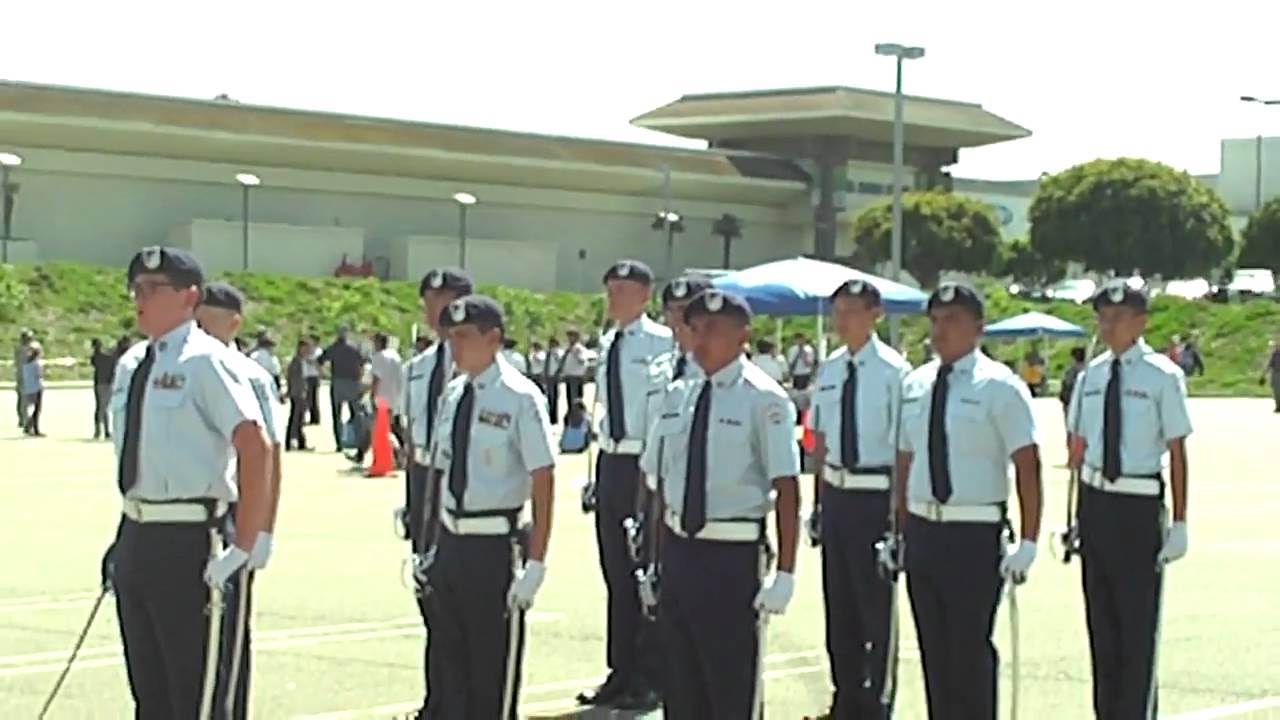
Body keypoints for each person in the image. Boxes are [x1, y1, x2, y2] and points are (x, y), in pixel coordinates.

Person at [100, 247, 272, 719]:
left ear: (188, 297)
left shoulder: (207, 361)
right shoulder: (134, 363)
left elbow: (255, 447)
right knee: (148, 688)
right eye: (137, 288)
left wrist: (245, 543)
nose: (141, 298)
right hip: (139, 531)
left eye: (154, 289)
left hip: (191, 538)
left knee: (195, 690)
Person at [639, 288, 800, 718]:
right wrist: (655, 562)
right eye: (695, 329)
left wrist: (785, 572)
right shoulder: (678, 396)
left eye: (713, 328)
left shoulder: (764, 398)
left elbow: (787, 486)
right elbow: (661, 482)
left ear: (743, 335)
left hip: (730, 556)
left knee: (728, 685)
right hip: (679, 552)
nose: (701, 338)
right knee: (682, 684)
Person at [896, 281, 1042, 720]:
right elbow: (905, 459)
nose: (940, 331)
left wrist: (1029, 541)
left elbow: (1027, 464)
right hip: (924, 529)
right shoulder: (916, 384)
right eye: (935, 321)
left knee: (968, 649)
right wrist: (899, 528)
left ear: (978, 328)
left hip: (972, 532)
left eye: (952, 321)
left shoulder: (1000, 386)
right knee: (933, 651)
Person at [421, 294, 557, 718]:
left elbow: (543, 478)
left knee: (491, 670)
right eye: (451, 337)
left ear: (494, 339)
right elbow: (440, 470)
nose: (455, 346)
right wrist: (429, 541)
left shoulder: (521, 397)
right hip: (451, 542)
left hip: (494, 544)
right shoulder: (455, 394)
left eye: (464, 336)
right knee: (450, 663)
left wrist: (535, 562)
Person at [1067, 281, 1192, 720]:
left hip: (1138, 506)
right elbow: (1077, 443)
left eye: (1117, 317)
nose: (1107, 324)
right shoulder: (1091, 377)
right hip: (1096, 503)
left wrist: (1179, 522)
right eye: (1102, 316)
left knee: (1137, 627)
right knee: (1101, 625)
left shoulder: (1162, 375)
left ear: (1140, 322)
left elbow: (1177, 449)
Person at [807, 279, 911, 720]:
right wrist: (818, 503)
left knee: (876, 608)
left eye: (852, 310)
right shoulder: (829, 370)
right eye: (838, 311)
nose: (842, 320)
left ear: (875, 315)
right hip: (837, 495)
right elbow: (821, 442)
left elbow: (904, 449)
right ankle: (845, 695)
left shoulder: (894, 372)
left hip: (876, 494)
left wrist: (898, 519)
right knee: (840, 604)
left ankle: (877, 701)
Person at [577, 260, 673, 711]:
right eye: (610, 289)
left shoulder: (663, 343)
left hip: (643, 462)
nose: (613, 297)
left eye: (622, 289)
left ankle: (651, 674)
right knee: (615, 573)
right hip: (612, 461)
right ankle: (620, 670)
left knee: (643, 574)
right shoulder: (609, 341)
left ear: (645, 296)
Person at [195, 280, 288, 720]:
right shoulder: (182, 363)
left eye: (209, 313)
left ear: (234, 321)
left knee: (228, 632)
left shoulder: (251, 375)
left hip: (234, 512)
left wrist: (262, 531)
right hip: (189, 513)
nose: (200, 321)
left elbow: (269, 455)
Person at [399, 266, 473, 719]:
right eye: (430, 303)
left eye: (446, 303)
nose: (437, 312)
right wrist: (412, 504)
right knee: (432, 602)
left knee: (464, 602)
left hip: (461, 483)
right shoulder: (417, 370)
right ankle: (438, 699)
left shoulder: (476, 370)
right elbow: (411, 443)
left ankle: (466, 700)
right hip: (425, 484)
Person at [360, 332, 405, 464]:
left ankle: (394, 456)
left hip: (381, 397)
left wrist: (372, 394)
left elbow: (377, 379)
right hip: (394, 397)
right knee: (389, 428)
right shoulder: (396, 357)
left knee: (380, 431)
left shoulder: (379, 357)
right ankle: (399, 455)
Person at [319, 327, 367, 452]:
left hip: (337, 381)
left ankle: (339, 443)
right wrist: (360, 379)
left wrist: (324, 374)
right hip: (352, 382)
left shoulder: (332, 348)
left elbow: (319, 361)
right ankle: (358, 440)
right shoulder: (353, 348)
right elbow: (362, 363)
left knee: (337, 414)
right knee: (356, 413)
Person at [285, 338, 312, 451]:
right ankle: (290, 441)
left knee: (300, 418)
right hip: (297, 393)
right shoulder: (296, 362)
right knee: (295, 418)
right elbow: (293, 379)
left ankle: (301, 442)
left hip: (301, 392)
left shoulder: (302, 361)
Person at [91, 338, 118, 439]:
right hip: (106, 383)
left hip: (99, 383)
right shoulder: (108, 357)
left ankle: (99, 430)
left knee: (100, 407)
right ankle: (105, 431)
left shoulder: (96, 357)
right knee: (104, 408)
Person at [560, 329, 590, 415]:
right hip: (569, 376)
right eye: (569, 336)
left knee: (576, 399)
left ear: (576, 337)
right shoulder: (568, 349)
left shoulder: (579, 349)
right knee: (569, 398)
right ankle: (571, 416)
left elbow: (583, 361)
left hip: (576, 376)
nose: (569, 338)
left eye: (571, 336)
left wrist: (575, 353)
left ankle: (578, 416)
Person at [21, 342, 45, 436]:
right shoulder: (37, 364)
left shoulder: (26, 365)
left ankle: (29, 426)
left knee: (33, 409)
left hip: (28, 388)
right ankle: (34, 428)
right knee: (37, 409)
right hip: (37, 388)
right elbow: (39, 375)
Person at [1059, 347, 1087, 421]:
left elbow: (1065, 387)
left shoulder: (1070, 372)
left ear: (1073, 358)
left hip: (1071, 404)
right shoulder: (1090, 370)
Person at [13, 329, 33, 428]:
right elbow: (19, 364)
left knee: (27, 399)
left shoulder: (31, 348)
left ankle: (24, 418)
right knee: (22, 399)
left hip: (29, 376)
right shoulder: (20, 349)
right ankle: (23, 419)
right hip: (22, 377)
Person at [305, 333, 322, 425]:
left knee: (313, 397)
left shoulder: (318, 351)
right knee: (308, 397)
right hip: (307, 375)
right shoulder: (308, 350)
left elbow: (318, 363)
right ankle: (311, 416)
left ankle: (315, 417)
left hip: (314, 376)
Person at [1262, 338, 1280, 413]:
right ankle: (1278, 406)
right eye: (1276, 346)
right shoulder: (1274, 355)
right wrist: (1263, 375)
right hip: (1276, 374)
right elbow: (1269, 365)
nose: (1276, 348)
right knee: (1276, 392)